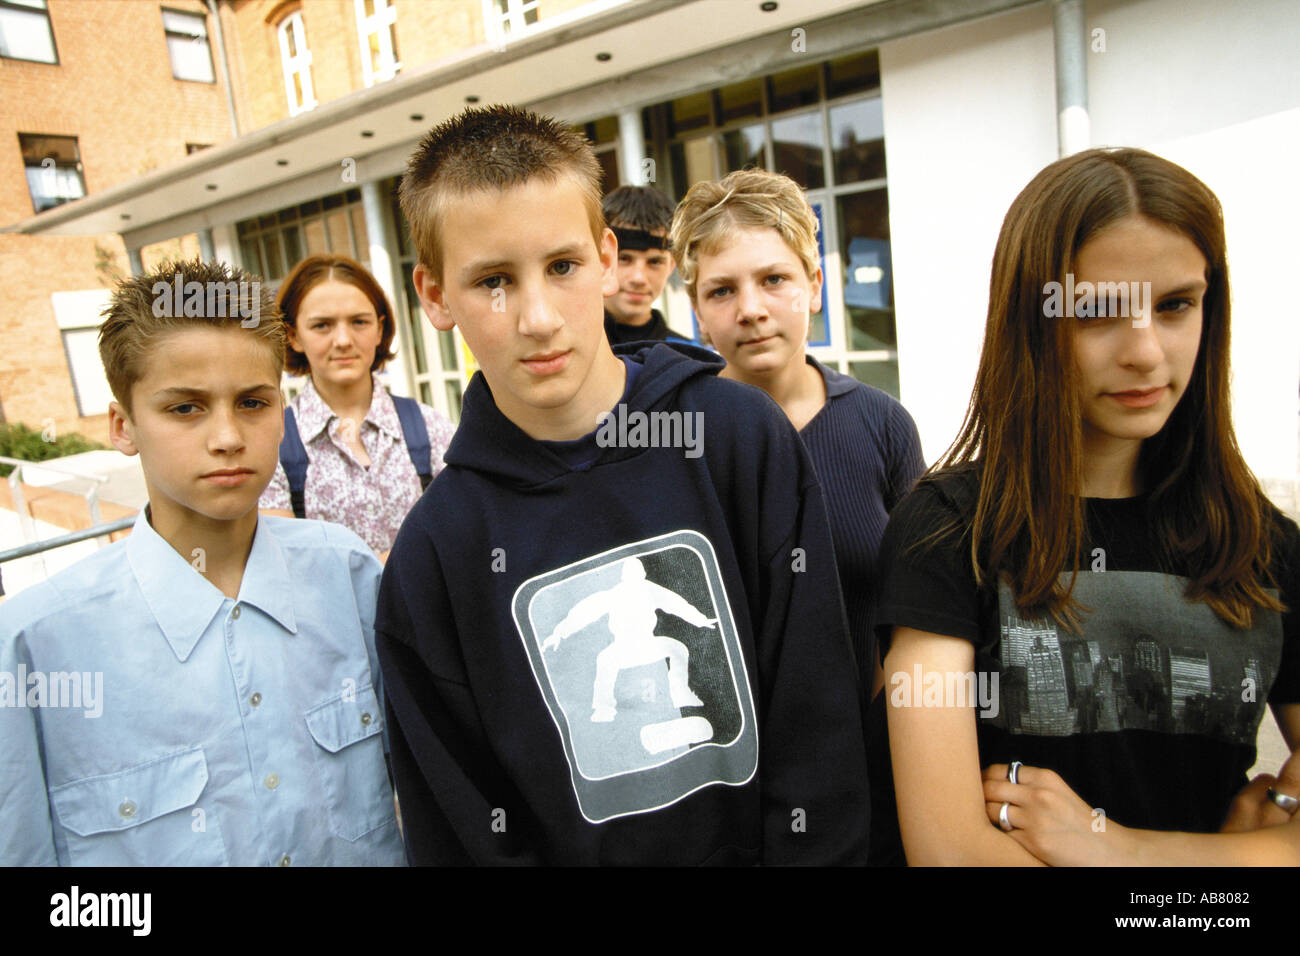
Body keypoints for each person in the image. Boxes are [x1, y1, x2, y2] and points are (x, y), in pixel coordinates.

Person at [375, 104, 869, 865]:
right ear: (435, 296)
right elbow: (465, 827)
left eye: (562, 266)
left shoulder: (734, 437)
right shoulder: (433, 556)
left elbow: (818, 721)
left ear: (608, 258)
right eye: (493, 281)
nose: (538, 317)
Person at [874, 148, 1300, 865]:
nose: (1145, 351)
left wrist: (1123, 852)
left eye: (1175, 305)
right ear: (1030, 320)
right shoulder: (949, 533)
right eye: (1098, 311)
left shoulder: (1264, 546)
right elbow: (949, 853)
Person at [0, 259, 405, 866]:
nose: (227, 437)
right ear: (123, 424)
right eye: (185, 408)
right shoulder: (38, 647)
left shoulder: (349, 580)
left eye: (252, 402)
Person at [671, 167, 924, 699]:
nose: (752, 310)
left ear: (814, 287)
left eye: (773, 279)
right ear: (697, 313)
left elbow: (920, 606)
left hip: (874, 748)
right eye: (721, 291)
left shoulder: (882, 425)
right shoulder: (677, 439)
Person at [259, 254, 455, 560]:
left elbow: (465, 533)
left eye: (359, 322)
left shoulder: (430, 428)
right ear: (293, 336)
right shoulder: (272, 444)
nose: (343, 340)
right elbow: (286, 561)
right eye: (322, 325)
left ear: (379, 330)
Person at [601, 185, 689, 346]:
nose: (638, 278)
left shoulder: (692, 358)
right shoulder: (567, 351)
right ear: (602, 261)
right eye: (624, 258)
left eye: (655, 262)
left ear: (671, 266)